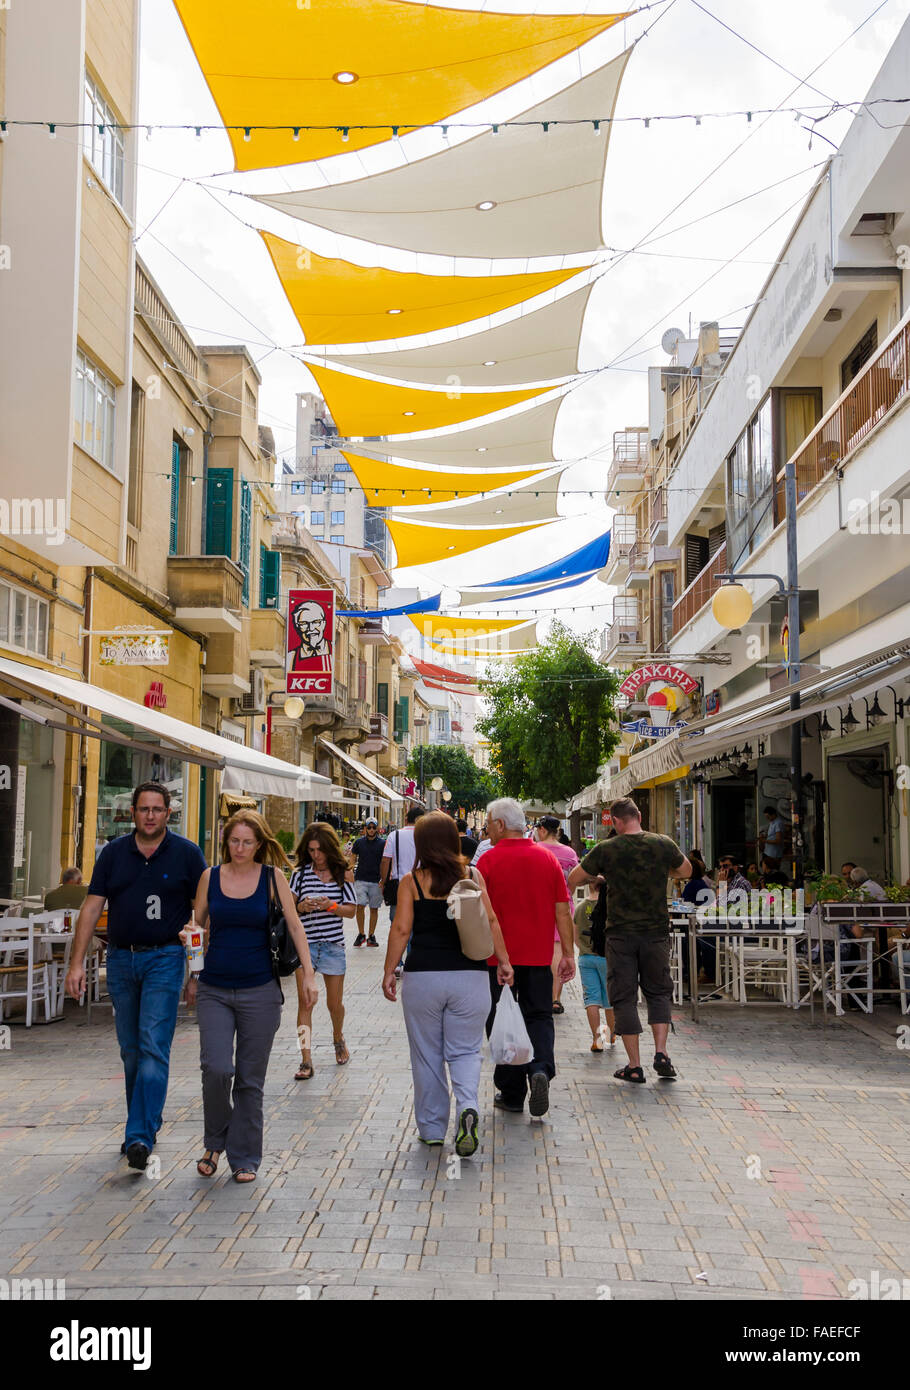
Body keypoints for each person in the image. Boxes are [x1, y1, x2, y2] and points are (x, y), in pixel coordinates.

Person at [65, 782, 207, 1170]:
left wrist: (196, 971)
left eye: (157, 809)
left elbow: (201, 915)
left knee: (152, 1046)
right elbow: (91, 910)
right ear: (133, 813)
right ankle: (144, 1122)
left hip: (164, 958)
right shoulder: (112, 854)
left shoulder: (187, 855)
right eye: (143, 809)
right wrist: (77, 964)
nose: (150, 816)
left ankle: (139, 1136)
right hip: (121, 961)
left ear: (168, 813)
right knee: (130, 1051)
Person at [183, 812, 318, 1183]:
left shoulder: (273, 878)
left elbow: (294, 924)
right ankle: (215, 1139)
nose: (239, 848)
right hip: (214, 987)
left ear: (259, 845)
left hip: (260, 990)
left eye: (247, 842)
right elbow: (198, 927)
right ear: (226, 841)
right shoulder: (210, 877)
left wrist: (308, 973)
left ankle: (244, 1157)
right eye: (234, 841)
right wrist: (192, 953)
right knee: (216, 1069)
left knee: (249, 1078)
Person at [381, 812, 513, 1153]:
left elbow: (401, 929)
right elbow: (493, 920)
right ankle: (468, 1106)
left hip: (424, 976)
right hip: (470, 976)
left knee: (427, 1054)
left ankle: (433, 1128)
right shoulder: (472, 874)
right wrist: (504, 961)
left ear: (422, 844)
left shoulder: (412, 881)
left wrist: (388, 970)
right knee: (466, 1050)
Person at [569, 797, 691, 1084]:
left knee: (623, 997)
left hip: (620, 935)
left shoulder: (607, 849)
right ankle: (661, 1053)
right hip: (656, 933)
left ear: (616, 821)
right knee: (658, 992)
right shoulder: (663, 843)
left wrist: (601, 874)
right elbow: (686, 870)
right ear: (638, 815)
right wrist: (663, 872)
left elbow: (575, 877)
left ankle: (634, 1065)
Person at [477, 798, 576, 1117]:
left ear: (501, 825)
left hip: (497, 960)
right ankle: (541, 1069)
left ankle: (512, 1090)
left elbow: (479, 915)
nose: (487, 829)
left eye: (490, 823)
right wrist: (568, 954)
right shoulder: (546, 860)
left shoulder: (488, 863)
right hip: (537, 956)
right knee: (539, 1015)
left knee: (501, 1020)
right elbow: (563, 910)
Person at [290, 822, 357, 1078]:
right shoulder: (300, 874)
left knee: (333, 1003)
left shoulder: (343, 874)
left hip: (333, 946)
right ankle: (305, 1059)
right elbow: (290, 908)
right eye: (311, 850)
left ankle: (338, 1037)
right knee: (305, 1003)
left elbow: (351, 911)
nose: (316, 855)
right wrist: (302, 907)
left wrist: (330, 906)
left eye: (320, 850)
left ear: (329, 849)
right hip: (304, 946)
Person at [534, 815, 579, 1016]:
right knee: (558, 951)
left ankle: (540, 994)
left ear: (542, 830)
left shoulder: (535, 850)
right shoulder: (569, 853)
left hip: (538, 905)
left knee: (539, 949)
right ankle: (555, 997)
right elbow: (573, 883)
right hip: (563, 903)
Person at [574, 883, 615, 1052]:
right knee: (610, 1000)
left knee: (591, 999)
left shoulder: (580, 907)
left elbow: (575, 936)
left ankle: (596, 1039)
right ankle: (611, 1035)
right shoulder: (610, 906)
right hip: (607, 958)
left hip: (586, 958)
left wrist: (584, 949)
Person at [350, 818, 386, 948]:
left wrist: (384, 879)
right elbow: (353, 857)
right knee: (360, 905)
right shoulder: (359, 843)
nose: (371, 829)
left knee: (374, 908)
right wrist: (349, 868)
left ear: (377, 828)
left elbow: (385, 861)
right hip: (360, 878)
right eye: (369, 827)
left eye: (373, 827)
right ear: (365, 828)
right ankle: (361, 933)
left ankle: (371, 935)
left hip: (376, 880)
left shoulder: (382, 843)